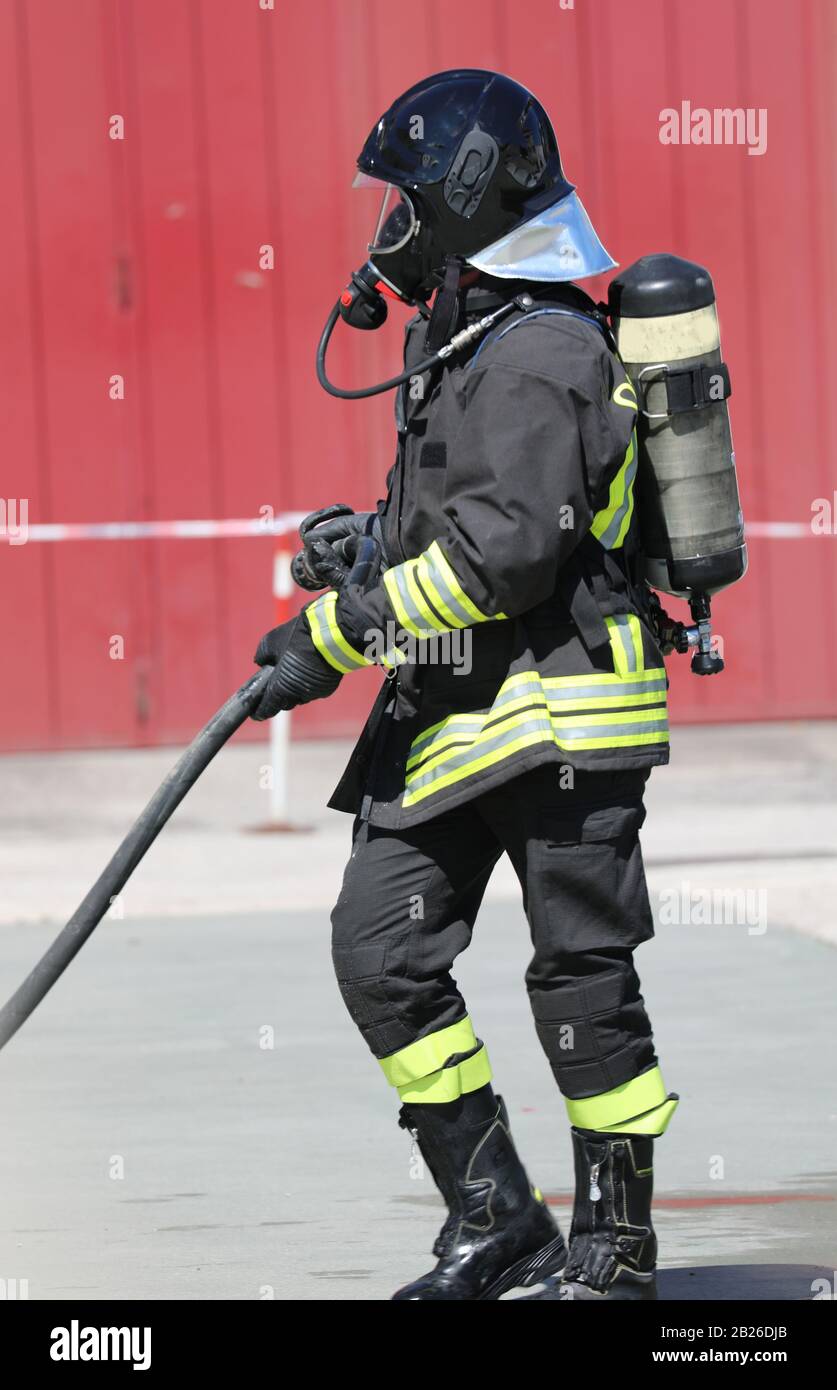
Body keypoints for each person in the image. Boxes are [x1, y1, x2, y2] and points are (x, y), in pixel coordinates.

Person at [251, 69, 677, 1301]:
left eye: (406, 200)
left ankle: (616, 1248)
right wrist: (367, 554)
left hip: (561, 717)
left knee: (580, 980)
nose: (390, 228)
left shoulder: (543, 346)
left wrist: (336, 632)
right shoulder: (470, 337)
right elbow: (462, 526)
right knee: (379, 950)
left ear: (468, 197)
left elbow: (506, 555)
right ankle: (497, 1217)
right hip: (456, 714)